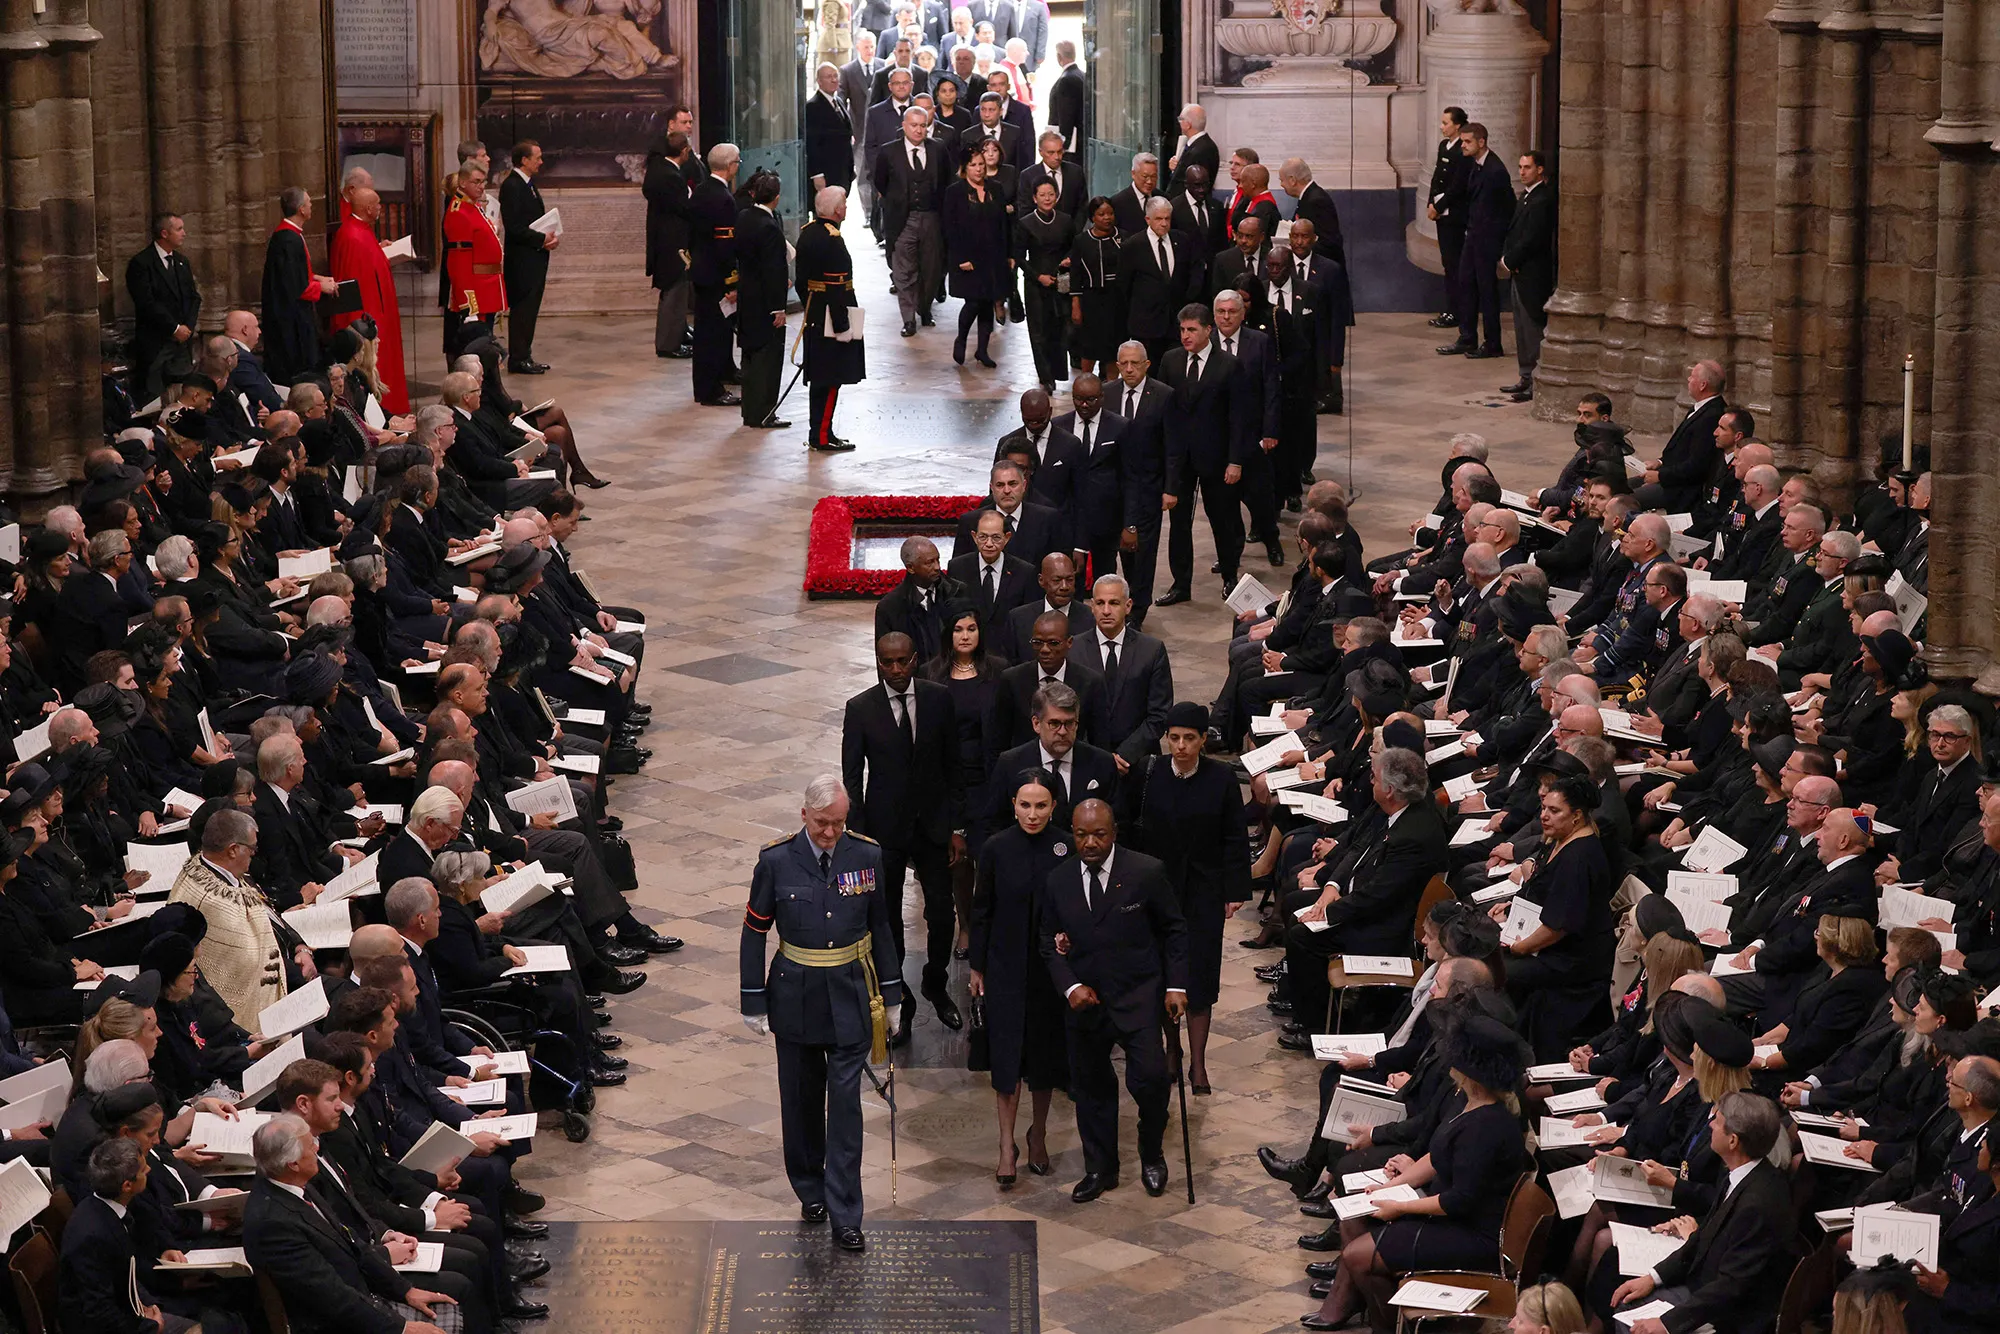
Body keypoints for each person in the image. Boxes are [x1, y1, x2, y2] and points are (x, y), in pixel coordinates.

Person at [740, 776, 904, 1253]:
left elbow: (881, 926)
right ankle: (810, 1189)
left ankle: (846, 1212)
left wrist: (892, 995)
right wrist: (753, 999)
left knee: (846, 1107)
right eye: (821, 823)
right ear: (804, 815)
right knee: (800, 1101)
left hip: (851, 995)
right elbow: (754, 931)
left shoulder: (866, 855)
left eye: (838, 823)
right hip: (795, 997)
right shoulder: (776, 861)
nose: (830, 833)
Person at [1305, 1011, 1529, 1329]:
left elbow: (1458, 1201)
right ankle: (1358, 1302)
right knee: (1356, 1219)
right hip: (1450, 1213)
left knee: (1358, 1256)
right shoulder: (1467, 1101)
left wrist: (1400, 1206)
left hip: (1471, 1233)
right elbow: (1436, 1157)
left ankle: (1389, 1324)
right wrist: (1388, 1189)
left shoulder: (1486, 1127)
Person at [1041, 798, 1188, 1200]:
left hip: (1138, 995)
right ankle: (1100, 1169)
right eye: (1081, 835)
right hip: (1086, 1003)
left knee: (1152, 1078)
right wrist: (1070, 986)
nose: (1090, 843)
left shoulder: (1145, 871)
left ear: (1114, 833)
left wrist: (1176, 985)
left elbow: (1174, 930)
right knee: (1090, 1088)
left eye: (1099, 834)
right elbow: (1047, 941)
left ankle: (1152, 1152)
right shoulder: (1058, 880)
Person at [842, 632, 965, 1036]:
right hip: (884, 829)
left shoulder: (938, 698)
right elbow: (852, 777)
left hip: (933, 824)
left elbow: (953, 764)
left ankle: (935, 982)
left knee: (942, 912)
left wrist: (956, 826)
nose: (895, 670)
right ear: (878, 662)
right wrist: (858, 836)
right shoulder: (860, 708)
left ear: (915, 659)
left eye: (902, 661)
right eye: (887, 662)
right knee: (886, 917)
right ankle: (901, 999)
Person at [242, 1114, 461, 1334]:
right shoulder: (273, 1225)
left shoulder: (293, 1183)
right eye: (310, 1146)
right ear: (293, 1164)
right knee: (457, 1293)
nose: (317, 1148)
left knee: (457, 1291)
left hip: (360, 1294)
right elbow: (330, 1295)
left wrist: (406, 1291)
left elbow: (353, 1244)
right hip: (337, 1322)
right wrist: (402, 1328)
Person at [1129, 703, 1247, 1093]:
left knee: (1200, 974)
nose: (1180, 746)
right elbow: (1132, 833)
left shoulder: (1221, 778)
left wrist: (1234, 890)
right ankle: (1171, 1049)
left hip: (1204, 890)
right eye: (1174, 738)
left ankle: (1198, 1061)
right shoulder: (1149, 773)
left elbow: (1234, 836)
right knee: (1163, 970)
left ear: (1203, 740)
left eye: (1189, 739)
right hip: (1158, 889)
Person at [1607, 1093, 1798, 1334]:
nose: (1710, 1125)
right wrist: (1652, 1277)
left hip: (1732, 1316)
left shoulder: (1757, 1204)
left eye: (1717, 1121)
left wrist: (1666, 1324)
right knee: (1626, 1291)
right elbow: (1703, 1236)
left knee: (1629, 1318)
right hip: (1709, 1285)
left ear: (1733, 1141)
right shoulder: (1742, 1174)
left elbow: (1732, 1286)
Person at [968, 768, 1071, 1186]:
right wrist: (977, 966)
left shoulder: (1066, 846)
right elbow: (981, 910)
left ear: (1054, 806)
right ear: (1013, 805)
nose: (1032, 814)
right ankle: (1005, 1144)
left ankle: (1038, 1133)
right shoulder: (996, 848)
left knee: (1044, 1056)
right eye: (1025, 805)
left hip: (1049, 970)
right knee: (1006, 1056)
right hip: (1005, 965)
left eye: (1041, 805)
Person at [1500, 771, 1617, 1059]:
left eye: (1554, 811)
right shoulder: (1559, 839)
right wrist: (1509, 909)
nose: (1544, 816)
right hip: (1552, 942)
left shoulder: (1578, 858)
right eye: (1543, 808)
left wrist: (1519, 948)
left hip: (1574, 958)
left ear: (1576, 816)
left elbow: (1557, 927)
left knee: (1498, 969)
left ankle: (1508, 1049)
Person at [1158, 302, 1252, 604]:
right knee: (1179, 523)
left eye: (1192, 329)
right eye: (1182, 329)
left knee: (1222, 519)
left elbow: (1239, 417)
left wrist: (1235, 460)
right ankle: (1180, 585)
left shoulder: (1229, 365)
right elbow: (1164, 410)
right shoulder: (1171, 360)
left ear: (1208, 330)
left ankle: (1229, 575)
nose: (1185, 335)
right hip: (1180, 460)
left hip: (1217, 459)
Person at [327, 187, 410, 413]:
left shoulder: (361, 230)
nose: (381, 208)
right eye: (378, 204)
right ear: (368, 208)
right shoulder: (352, 236)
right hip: (368, 316)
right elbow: (355, 283)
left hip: (378, 311)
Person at [796, 186, 866, 452]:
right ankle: (822, 436)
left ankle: (820, 432)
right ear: (837, 210)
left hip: (815, 312)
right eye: (844, 204)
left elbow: (802, 281)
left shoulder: (808, 232)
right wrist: (842, 326)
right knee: (831, 378)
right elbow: (837, 289)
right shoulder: (832, 239)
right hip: (831, 318)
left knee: (820, 378)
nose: (846, 207)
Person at [1438, 123, 1515, 360]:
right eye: (1462, 141)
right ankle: (1467, 337)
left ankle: (1492, 344)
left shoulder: (1495, 170)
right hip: (1473, 236)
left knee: (1487, 290)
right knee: (1466, 284)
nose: (1463, 145)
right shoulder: (1474, 164)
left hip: (1487, 240)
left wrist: (1498, 241)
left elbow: (1508, 208)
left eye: (1467, 141)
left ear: (1481, 142)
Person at [876, 105, 950, 338]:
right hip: (902, 220)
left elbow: (947, 181)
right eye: (914, 125)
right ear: (904, 126)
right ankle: (908, 319)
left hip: (932, 217)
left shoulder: (938, 149)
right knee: (904, 271)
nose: (919, 130)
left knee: (932, 270)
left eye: (923, 125)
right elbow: (880, 182)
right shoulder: (889, 152)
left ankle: (924, 308)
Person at [260, 187, 339, 385]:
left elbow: (295, 272)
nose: (312, 205)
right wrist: (322, 288)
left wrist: (318, 278)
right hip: (290, 319)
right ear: (301, 209)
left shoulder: (290, 235)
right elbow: (294, 286)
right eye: (309, 202)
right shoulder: (288, 239)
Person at [942, 148, 1012, 367]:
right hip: (968, 257)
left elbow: (1004, 224)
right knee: (973, 302)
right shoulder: (955, 192)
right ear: (964, 168)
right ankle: (961, 339)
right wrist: (960, 257)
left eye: (981, 164)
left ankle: (983, 350)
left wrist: (1009, 254)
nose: (979, 169)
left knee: (987, 303)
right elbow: (949, 228)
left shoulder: (996, 189)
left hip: (994, 256)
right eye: (973, 165)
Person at [733, 171, 790, 429]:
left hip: (748, 296)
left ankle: (750, 411)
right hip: (766, 302)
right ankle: (765, 413)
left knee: (750, 355)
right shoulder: (769, 227)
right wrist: (778, 308)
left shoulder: (744, 217)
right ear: (776, 198)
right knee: (767, 359)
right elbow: (773, 270)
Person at [688, 144, 744, 407]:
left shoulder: (701, 191)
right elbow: (725, 246)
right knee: (712, 334)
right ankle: (710, 390)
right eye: (737, 162)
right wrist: (731, 281)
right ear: (730, 166)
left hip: (702, 270)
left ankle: (723, 373)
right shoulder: (722, 198)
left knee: (712, 331)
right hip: (716, 277)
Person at [125, 212, 201, 400]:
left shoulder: (181, 261)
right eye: (179, 229)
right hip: (157, 342)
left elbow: (193, 297)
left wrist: (188, 327)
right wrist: (174, 328)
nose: (184, 233)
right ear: (164, 233)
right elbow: (146, 303)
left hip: (181, 343)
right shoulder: (142, 263)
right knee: (155, 395)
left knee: (184, 394)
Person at [1500, 149, 1556, 402]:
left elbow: (1533, 238)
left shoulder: (1542, 199)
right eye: (1521, 167)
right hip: (1519, 272)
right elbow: (1513, 233)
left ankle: (1535, 381)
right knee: (1521, 328)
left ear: (1540, 170)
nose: (1522, 172)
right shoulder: (1526, 196)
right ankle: (1525, 376)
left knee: (1532, 328)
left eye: (1527, 167)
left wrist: (1509, 260)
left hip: (1533, 273)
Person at [1119, 198, 1202, 365]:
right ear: (1147, 219)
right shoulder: (1133, 245)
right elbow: (1123, 285)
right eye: (1158, 219)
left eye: (1167, 218)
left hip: (1176, 322)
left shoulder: (1182, 240)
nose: (1164, 223)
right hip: (1146, 324)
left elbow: (1191, 272)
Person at [497, 141, 556, 376]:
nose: (541, 162)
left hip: (533, 258)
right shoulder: (512, 185)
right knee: (522, 310)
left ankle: (525, 355)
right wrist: (541, 239)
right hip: (522, 262)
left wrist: (547, 238)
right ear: (524, 160)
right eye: (537, 158)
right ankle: (518, 359)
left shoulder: (527, 184)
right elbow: (514, 227)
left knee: (530, 310)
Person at [441, 166, 506, 362]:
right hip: (476, 291)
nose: (481, 186)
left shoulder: (472, 206)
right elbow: (458, 263)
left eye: (483, 182)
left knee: (487, 348)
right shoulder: (458, 212)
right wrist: (469, 305)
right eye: (476, 182)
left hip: (488, 287)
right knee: (477, 349)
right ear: (462, 183)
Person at [1015, 179, 1074, 392]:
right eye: (1042, 195)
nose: (1047, 199)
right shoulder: (1026, 223)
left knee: (1060, 328)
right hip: (1036, 282)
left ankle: (1058, 372)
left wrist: (1068, 259)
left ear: (1056, 196)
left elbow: (1073, 246)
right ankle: (1045, 376)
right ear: (1034, 198)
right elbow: (1019, 256)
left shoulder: (1066, 220)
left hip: (1061, 279)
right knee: (1039, 331)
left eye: (1051, 194)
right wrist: (1037, 276)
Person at [643, 125, 695, 360]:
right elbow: (683, 208)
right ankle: (668, 344)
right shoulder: (670, 177)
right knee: (674, 293)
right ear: (683, 151)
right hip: (673, 244)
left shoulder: (659, 170)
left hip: (664, 242)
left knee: (674, 293)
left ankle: (675, 337)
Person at [1426, 106, 1472, 330]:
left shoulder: (1462, 152)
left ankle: (1457, 311)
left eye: (1446, 123)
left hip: (1454, 214)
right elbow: (1437, 178)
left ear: (1458, 126)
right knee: (1448, 262)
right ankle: (1451, 308)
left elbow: (1457, 187)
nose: (1442, 127)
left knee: (1454, 264)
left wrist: (1439, 206)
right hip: (1441, 213)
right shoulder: (1444, 146)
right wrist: (1430, 203)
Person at [1067, 198, 1124, 375]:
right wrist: (1075, 304)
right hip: (1091, 300)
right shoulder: (1082, 241)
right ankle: (1086, 382)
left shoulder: (1124, 238)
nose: (1107, 218)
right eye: (1101, 214)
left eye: (1110, 213)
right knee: (1089, 348)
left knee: (1113, 348)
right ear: (1092, 217)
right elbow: (1075, 274)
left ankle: (1112, 384)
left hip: (1117, 301)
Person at [807, 63, 857, 193]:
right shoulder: (813, 106)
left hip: (843, 171)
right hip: (827, 173)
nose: (834, 80)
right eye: (829, 77)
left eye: (835, 76)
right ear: (819, 81)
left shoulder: (838, 101)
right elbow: (812, 143)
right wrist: (817, 174)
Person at [1166, 102, 1219, 197]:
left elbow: (1190, 185)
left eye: (1181, 119)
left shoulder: (1201, 150)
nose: (1179, 122)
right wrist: (1175, 169)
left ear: (1187, 124)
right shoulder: (1199, 145)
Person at [1048, 40, 1086, 160]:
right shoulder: (1082, 75)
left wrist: (1062, 146)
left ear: (1059, 57)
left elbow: (1066, 116)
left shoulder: (1067, 80)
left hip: (1072, 146)